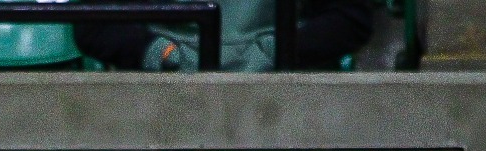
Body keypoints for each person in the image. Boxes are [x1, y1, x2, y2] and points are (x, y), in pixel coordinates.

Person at [76, 0, 372, 71]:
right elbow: (93, 23)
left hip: (280, 95)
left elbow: (350, 19)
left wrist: (275, 50)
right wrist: (163, 54)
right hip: (162, 95)